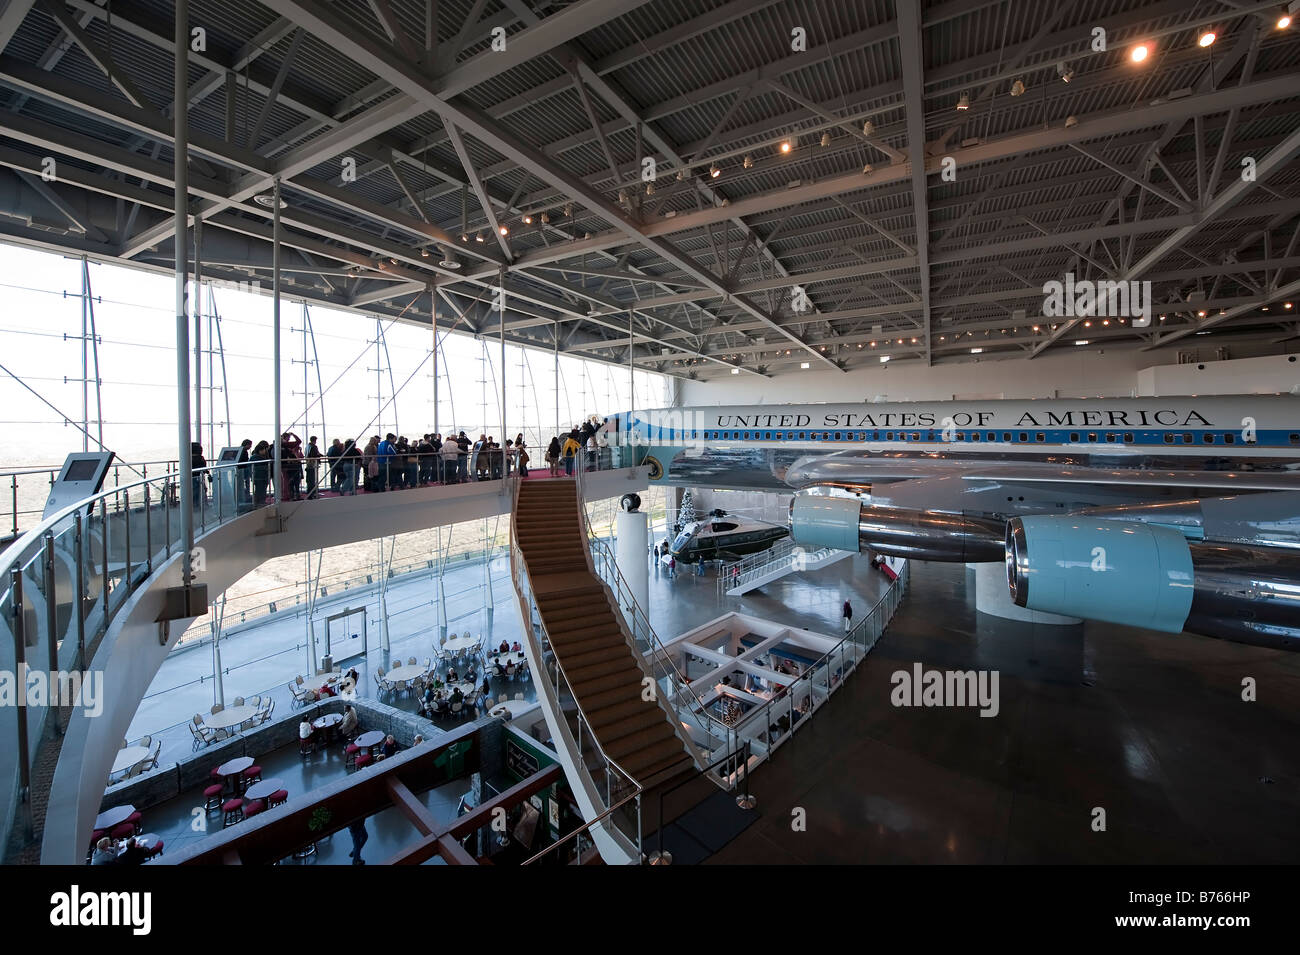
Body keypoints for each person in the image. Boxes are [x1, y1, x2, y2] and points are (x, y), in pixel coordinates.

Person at [250, 440, 272, 507]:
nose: (264, 451)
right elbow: (263, 467)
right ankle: (260, 502)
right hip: (260, 477)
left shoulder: (255, 457)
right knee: (261, 490)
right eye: (263, 450)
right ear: (260, 450)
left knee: (260, 490)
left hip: (260, 477)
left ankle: (259, 502)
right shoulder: (257, 458)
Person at [236, 438, 252, 506]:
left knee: (241, 484)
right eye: (250, 445)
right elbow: (243, 461)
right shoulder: (243, 451)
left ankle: (242, 497)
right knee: (245, 483)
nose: (250, 447)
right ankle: (245, 497)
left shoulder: (240, 450)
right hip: (242, 469)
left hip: (240, 469)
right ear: (246, 445)